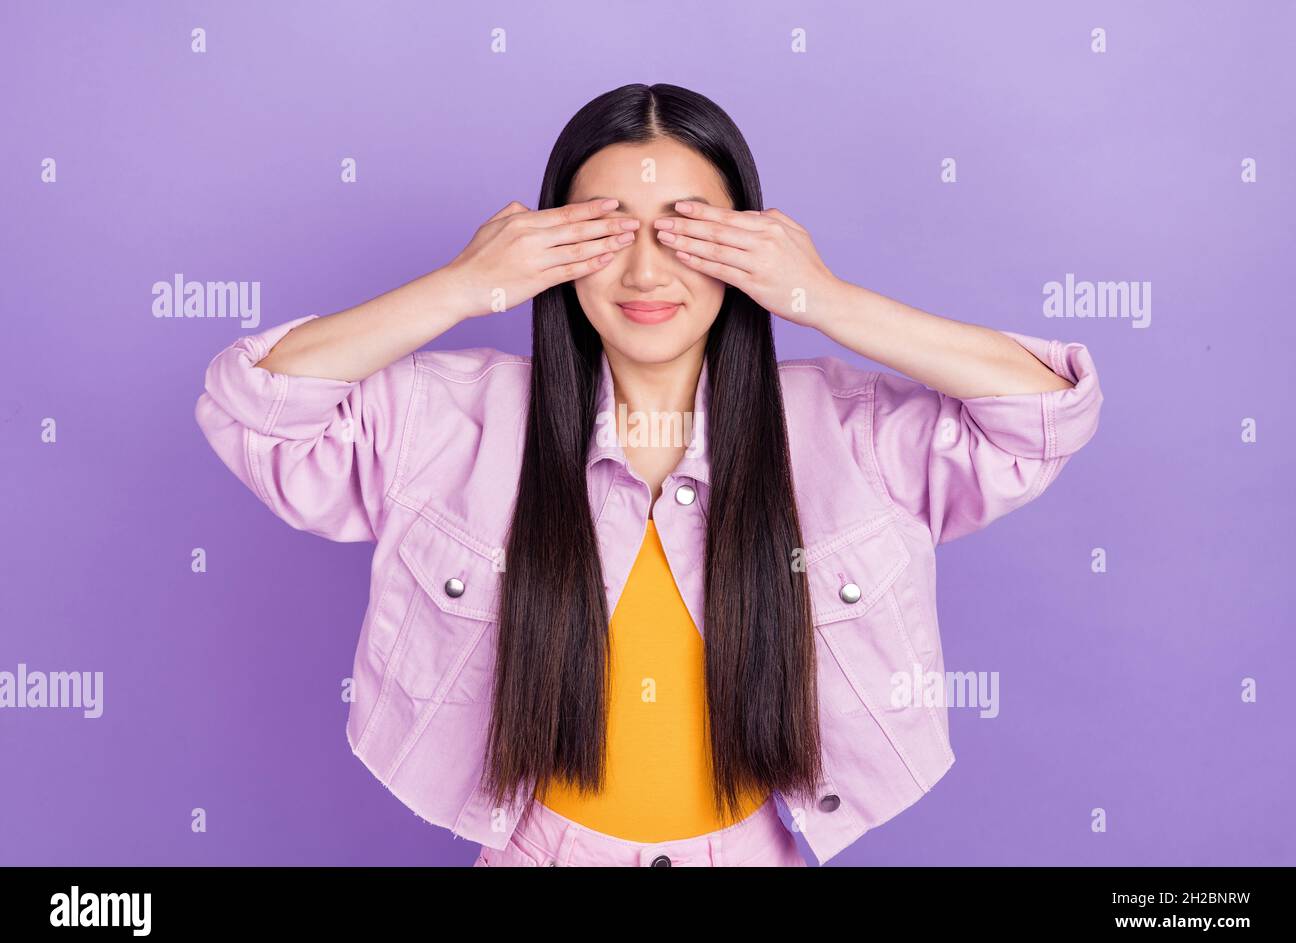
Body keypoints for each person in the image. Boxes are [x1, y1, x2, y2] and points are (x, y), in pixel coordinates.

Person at [195, 82, 1103, 867]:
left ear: (748, 241)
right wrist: (468, 284)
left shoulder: (846, 431)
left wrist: (821, 298)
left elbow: (1042, 415)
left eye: (687, 232)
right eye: (606, 231)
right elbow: (255, 409)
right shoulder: (453, 422)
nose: (643, 269)